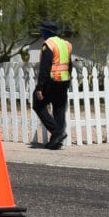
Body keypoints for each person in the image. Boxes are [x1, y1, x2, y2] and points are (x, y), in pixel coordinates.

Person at [32, 22, 73, 150]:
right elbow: (69, 66)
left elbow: (45, 68)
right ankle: (56, 141)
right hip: (64, 81)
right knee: (59, 109)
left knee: (38, 105)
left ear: (47, 32)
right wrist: (67, 82)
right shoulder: (66, 44)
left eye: (42, 31)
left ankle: (57, 132)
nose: (41, 33)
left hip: (52, 81)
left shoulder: (48, 44)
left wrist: (39, 88)